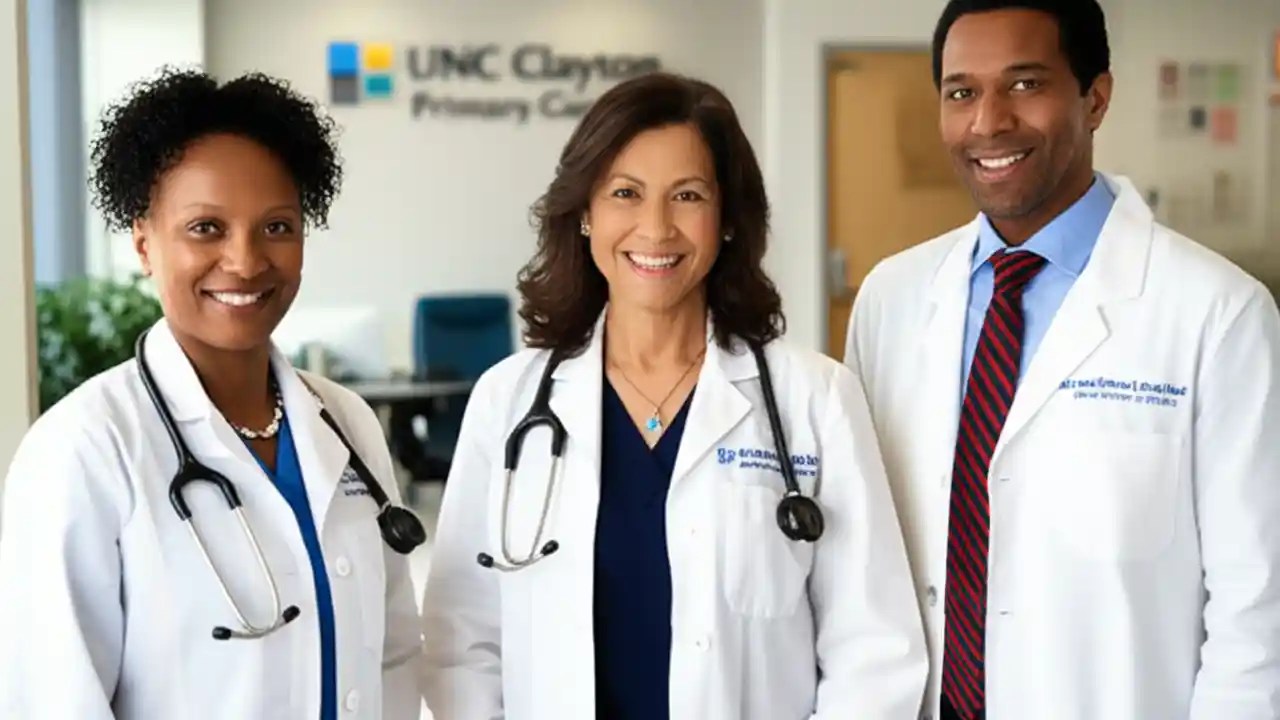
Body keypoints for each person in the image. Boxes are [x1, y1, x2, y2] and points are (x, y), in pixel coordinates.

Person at [420, 72, 927, 719]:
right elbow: (463, 641)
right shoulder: (508, 402)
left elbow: (874, 651)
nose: (655, 228)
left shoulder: (814, 400)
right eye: (625, 193)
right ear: (585, 213)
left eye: (687, 195)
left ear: (728, 221)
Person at [844, 1, 1280, 718]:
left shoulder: (1218, 314)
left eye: (1024, 84)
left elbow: (1255, 612)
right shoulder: (892, 298)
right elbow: (857, 562)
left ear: (1095, 98)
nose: (987, 122)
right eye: (961, 93)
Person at [0, 68, 423, 719]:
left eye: (277, 227)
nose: (247, 261)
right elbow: (55, 701)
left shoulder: (346, 423)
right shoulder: (83, 451)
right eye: (206, 228)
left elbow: (392, 653)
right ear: (145, 242)